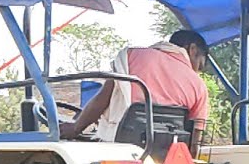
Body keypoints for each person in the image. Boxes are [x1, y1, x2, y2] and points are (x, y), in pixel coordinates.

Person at [60, 30, 210, 152]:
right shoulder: (199, 86)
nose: (197, 71)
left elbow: (102, 99)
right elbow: (194, 142)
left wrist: (75, 128)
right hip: (167, 157)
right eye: (200, 66)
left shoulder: (132, 56)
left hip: (122, 147)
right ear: (192, 50)